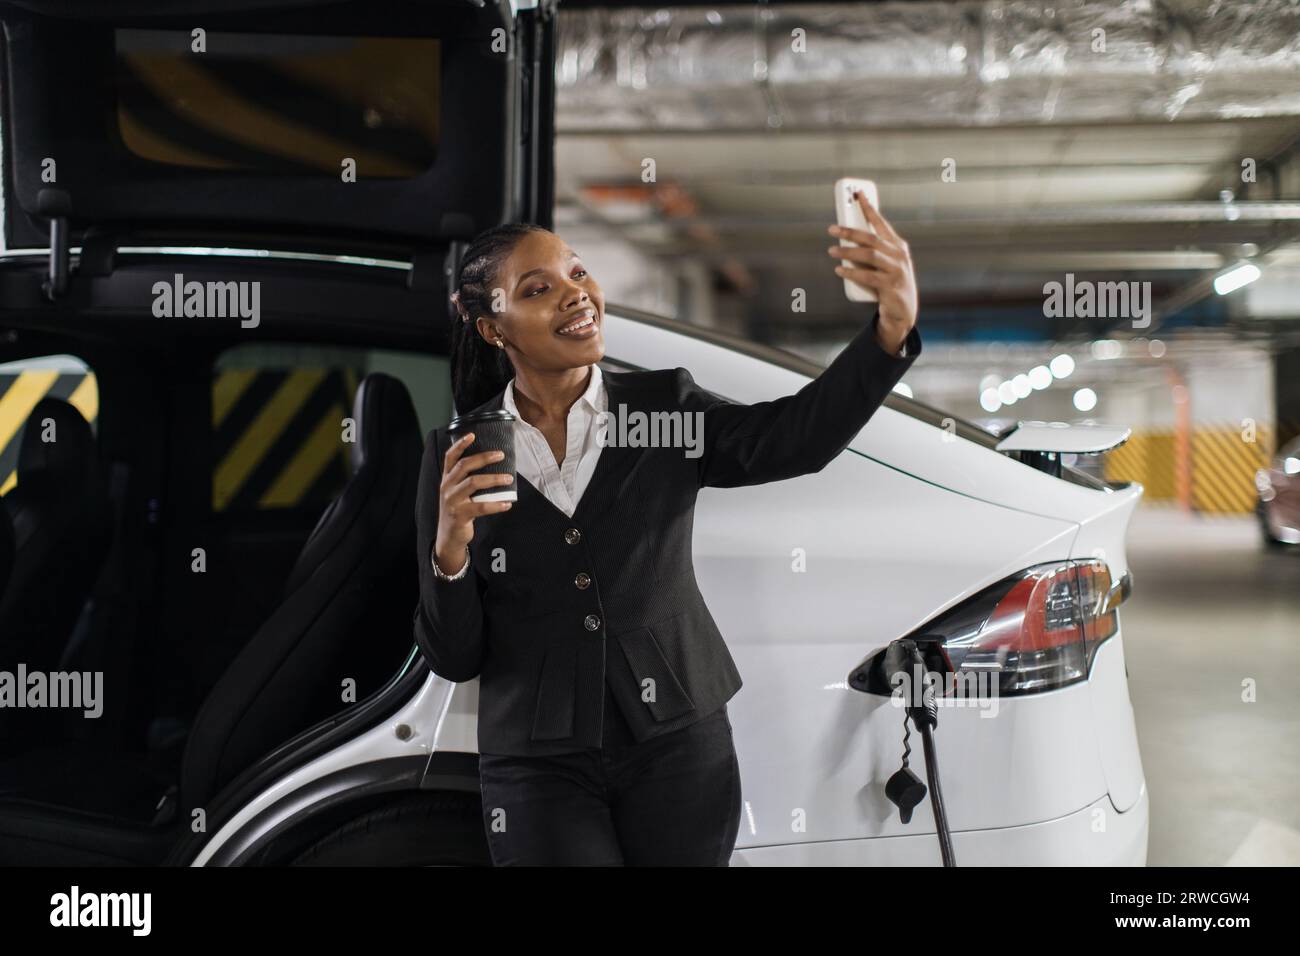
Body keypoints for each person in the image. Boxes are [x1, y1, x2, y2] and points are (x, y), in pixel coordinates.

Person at [414, 189, 921, 865]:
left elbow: (794, 438)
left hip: (677, 745)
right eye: (539, 288)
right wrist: (449, 549)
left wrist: (889, 333)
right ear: (493, 328)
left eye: (578, 272)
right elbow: (455, 657)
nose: (576, 294)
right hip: (536, 765)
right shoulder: (458, 455)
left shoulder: (662, 410)